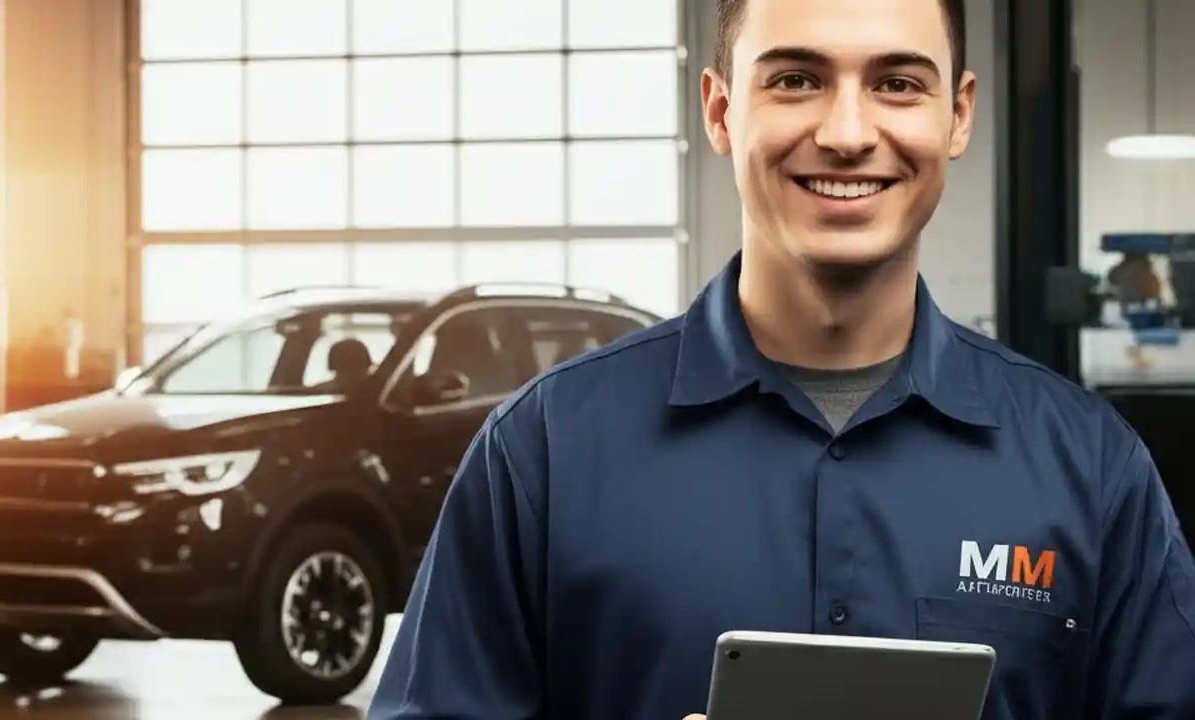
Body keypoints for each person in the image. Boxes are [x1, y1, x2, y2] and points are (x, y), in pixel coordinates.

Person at [368, 0, 1195, 717]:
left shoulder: (1089, 465)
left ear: (958, 115)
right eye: (796, 80)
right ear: (721, 111)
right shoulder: (544, 451)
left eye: (897, 83)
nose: (847, 134)